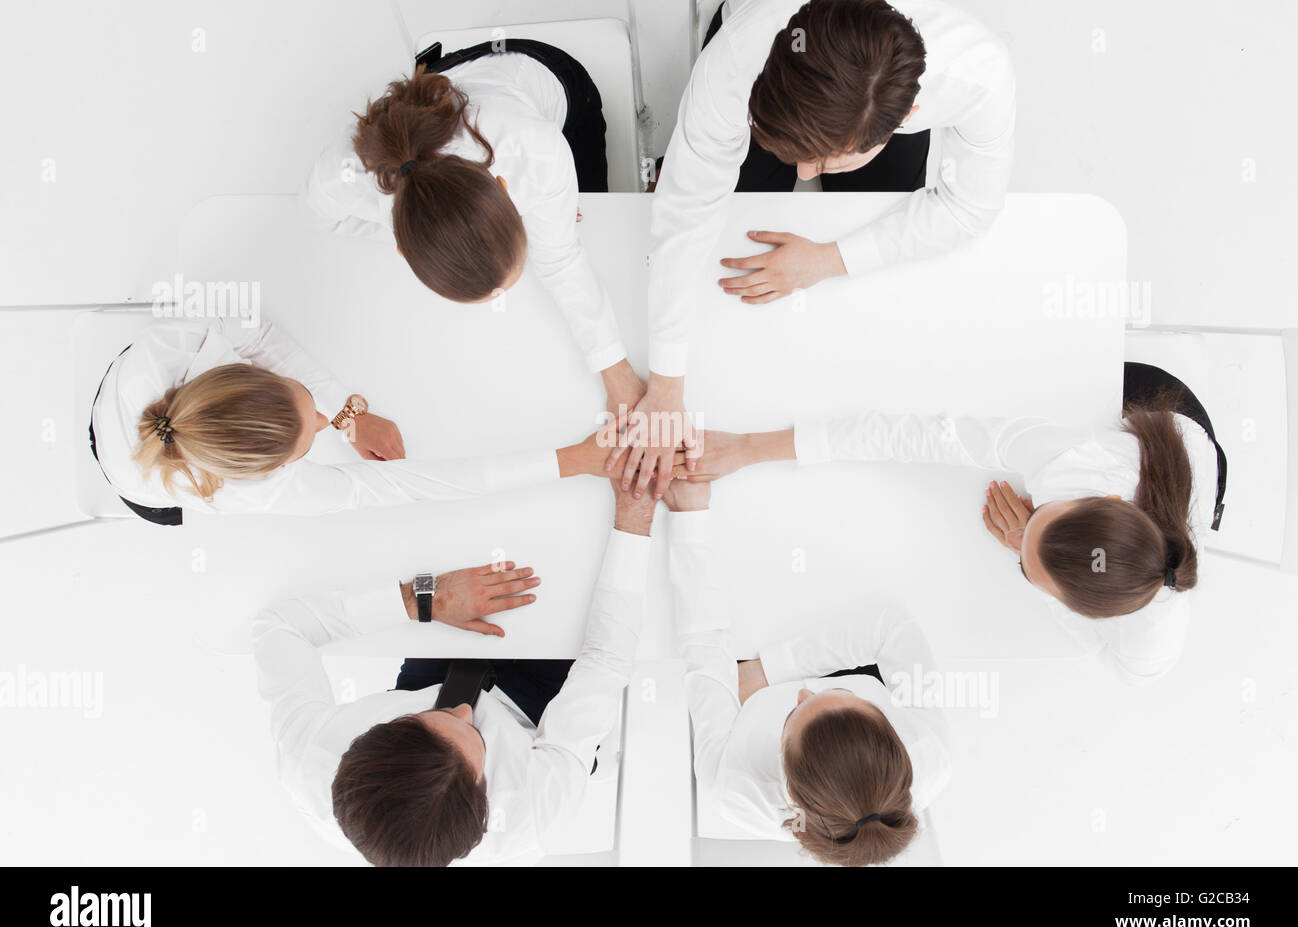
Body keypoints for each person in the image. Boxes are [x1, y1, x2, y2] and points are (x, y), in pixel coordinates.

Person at [619, 0, 1016, 499]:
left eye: (824, 161)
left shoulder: (976, 71)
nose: (805, 176)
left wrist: (831, 259)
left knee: (872, 206)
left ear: (907, 116)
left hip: (869, 102)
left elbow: (970, 208)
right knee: (742, 213)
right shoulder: (734, 61)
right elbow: (685, 213)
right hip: (763, 68)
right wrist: (666, 386)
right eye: (800, 158)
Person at [670, 364, 1227, 684]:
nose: (1020, 531)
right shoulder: (1077, 457)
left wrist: (1025, 561)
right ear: (1099, 498)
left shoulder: (1152, 646)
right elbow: (923, 434)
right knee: (1078, 368)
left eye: (1029, 565)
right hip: (1175, 426)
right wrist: (749, 447)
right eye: (1040, 520)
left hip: (1173, 498)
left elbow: (1114, 661)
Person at [252, 478, 655, 866]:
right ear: (485, 790)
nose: (465, 710)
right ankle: (589, 755)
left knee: (455, 537)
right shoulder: (534, 808)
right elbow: (606, 658)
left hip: (428, 682)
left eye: (440, 718)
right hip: (532, 726)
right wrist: (635, 519)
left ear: (373, 732)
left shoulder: (310, 756)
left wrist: (423, 599)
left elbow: (280, 628)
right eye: (472, 733)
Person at [305, 39, 644, 420]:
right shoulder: (337, 179)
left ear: (505, 186)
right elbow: (330, 219)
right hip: (454, 99)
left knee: (593, 206)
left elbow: (560, 258)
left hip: (547, 76)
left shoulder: (536, 149)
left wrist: (616, 370)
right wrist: (412, 231)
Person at [663, 478, 950, 865]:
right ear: (890, 724)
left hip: (740, 682)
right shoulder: (927, 751)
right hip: (804, 652)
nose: (805, 693)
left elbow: (702, 644)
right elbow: (890, 627)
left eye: (792, 716)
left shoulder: (732, 785)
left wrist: (689, 516)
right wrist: (768, 670)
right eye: (847, 698)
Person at [88, 313, 617, 524]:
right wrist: (575, 460)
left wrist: (348, 415)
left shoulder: (181, 339)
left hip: (124, 378)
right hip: (138, 488)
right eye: (309, 442)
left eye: (305, 404)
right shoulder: (244, 492)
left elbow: (261, 335)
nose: (321, 424)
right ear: (268, 470)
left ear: (242, 371)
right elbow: (410, 486)